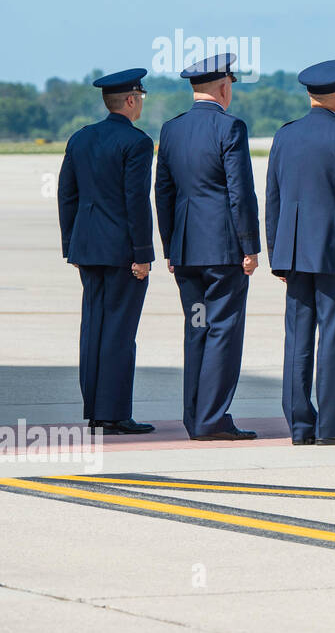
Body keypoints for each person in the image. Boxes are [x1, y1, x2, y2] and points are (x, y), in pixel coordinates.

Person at [266, 60, 335, 446]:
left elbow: (274, 197)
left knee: (297, 339)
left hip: (294, 253)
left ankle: (300, 426)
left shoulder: (286, 135)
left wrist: (276, 253)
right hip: (333, 252)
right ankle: (332, 426)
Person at [155, 53, 260, 441]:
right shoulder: (230, 127)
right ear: (224, 87)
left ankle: (194, 415)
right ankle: (212, 418)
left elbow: (162, 192)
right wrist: (250, 246)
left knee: (197, 327)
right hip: (222, 250)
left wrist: (169, 246)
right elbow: (240, 191)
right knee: (223, 330)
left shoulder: (172, 128)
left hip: (186, 251)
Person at [57, 69, 156, 434]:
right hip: (121, 251)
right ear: (130, 100)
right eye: (140, 98)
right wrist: (143, 253)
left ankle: (96, 411)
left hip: (87, 247)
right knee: (119, 331)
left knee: (93, 328)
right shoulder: (137, 142)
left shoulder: (80, 138)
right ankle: (114, 413)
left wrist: (72, 243)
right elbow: (136, 201)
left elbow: (67, 195)